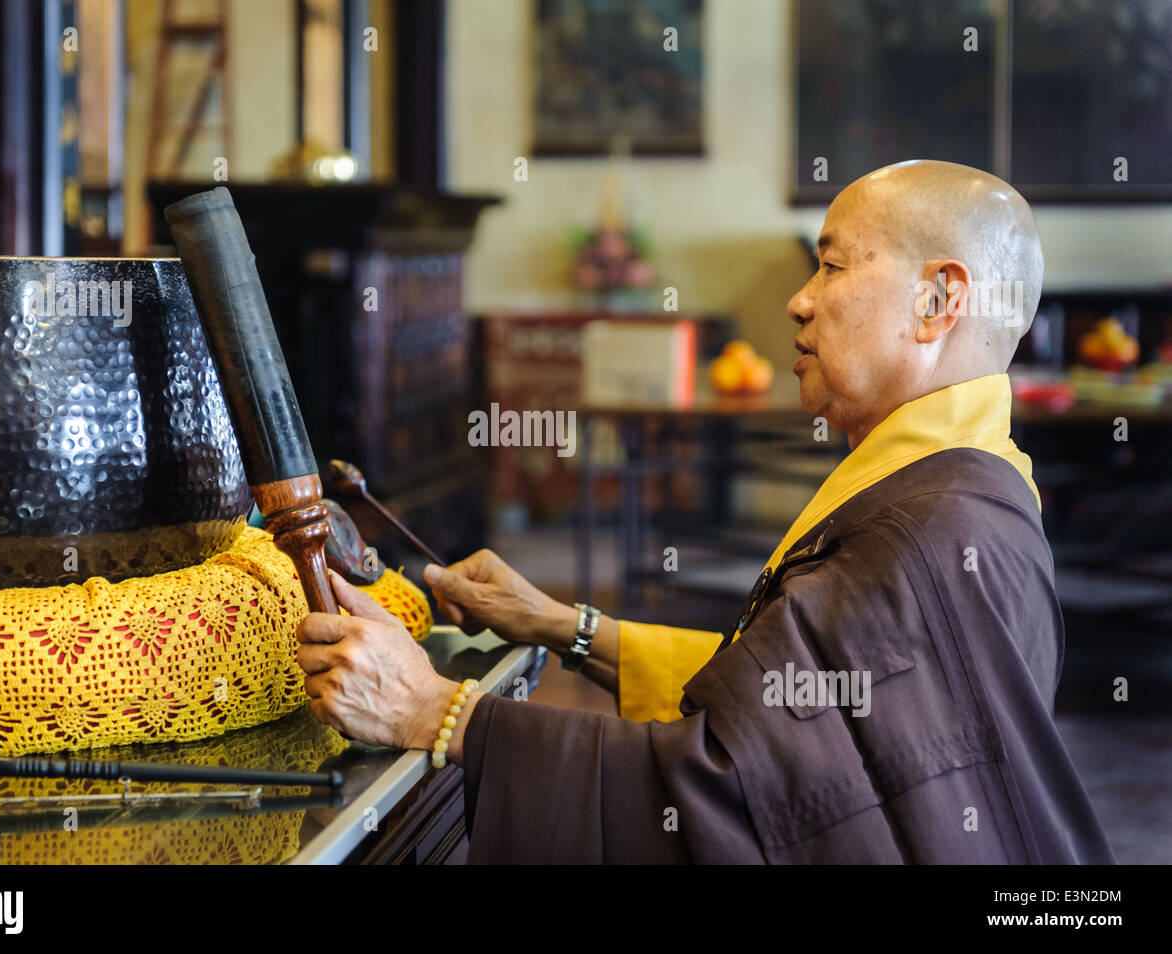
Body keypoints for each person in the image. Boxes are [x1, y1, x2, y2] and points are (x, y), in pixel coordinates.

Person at [297, 159, 1115, 863]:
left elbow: (740, 803)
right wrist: (565, 627)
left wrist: (439, 713)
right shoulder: (975, 478)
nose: (798, 302)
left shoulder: (929, 538)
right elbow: (802, 703)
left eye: (831, 268)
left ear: (940, 301)